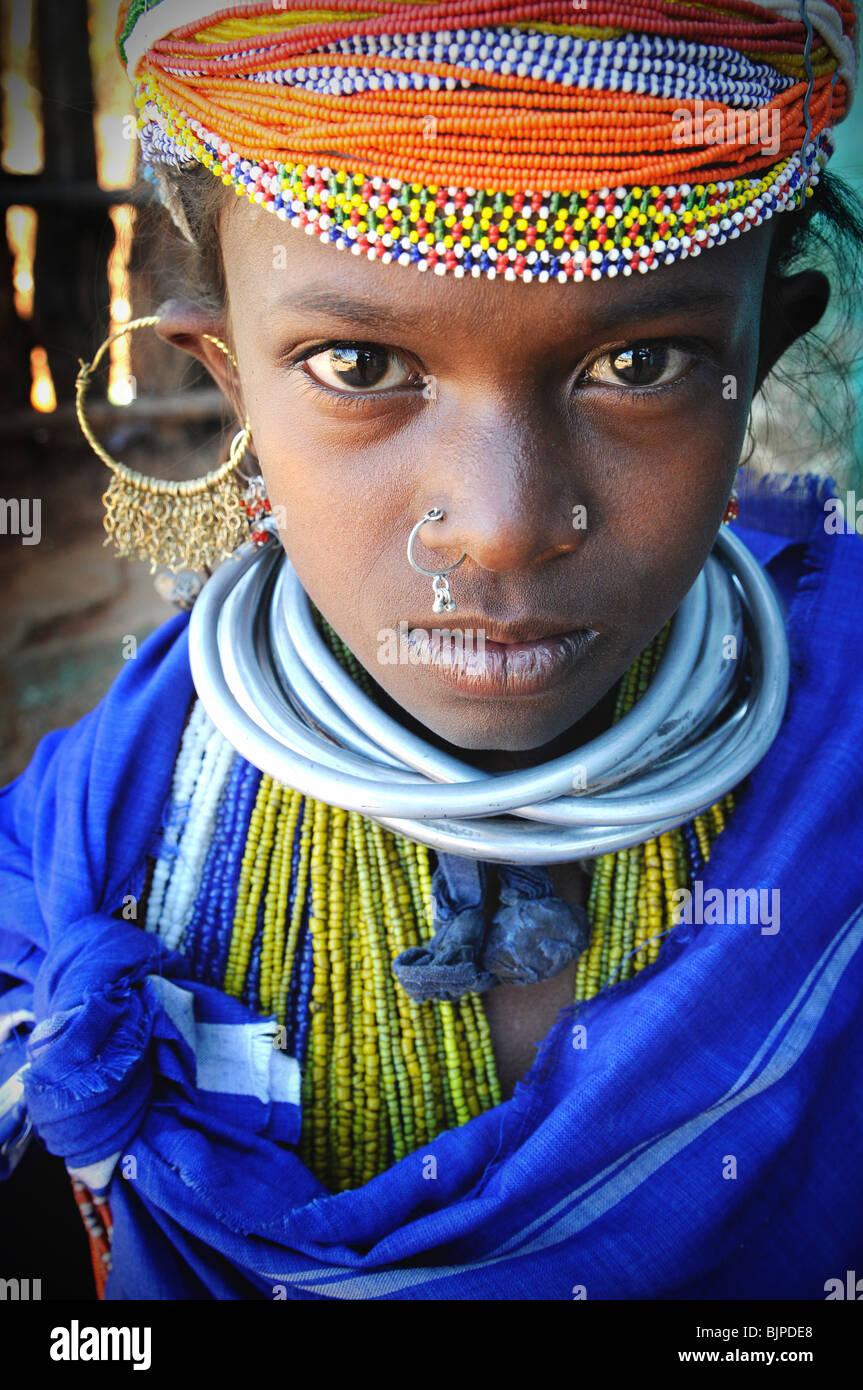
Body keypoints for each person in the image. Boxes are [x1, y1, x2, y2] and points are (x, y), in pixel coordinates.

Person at [1, 0, 862, 1300]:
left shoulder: (844, 747)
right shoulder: (92, 854)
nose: (505, 529)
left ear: (766, 346)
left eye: (643, 360)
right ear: (229, 376)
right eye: (357, 362)